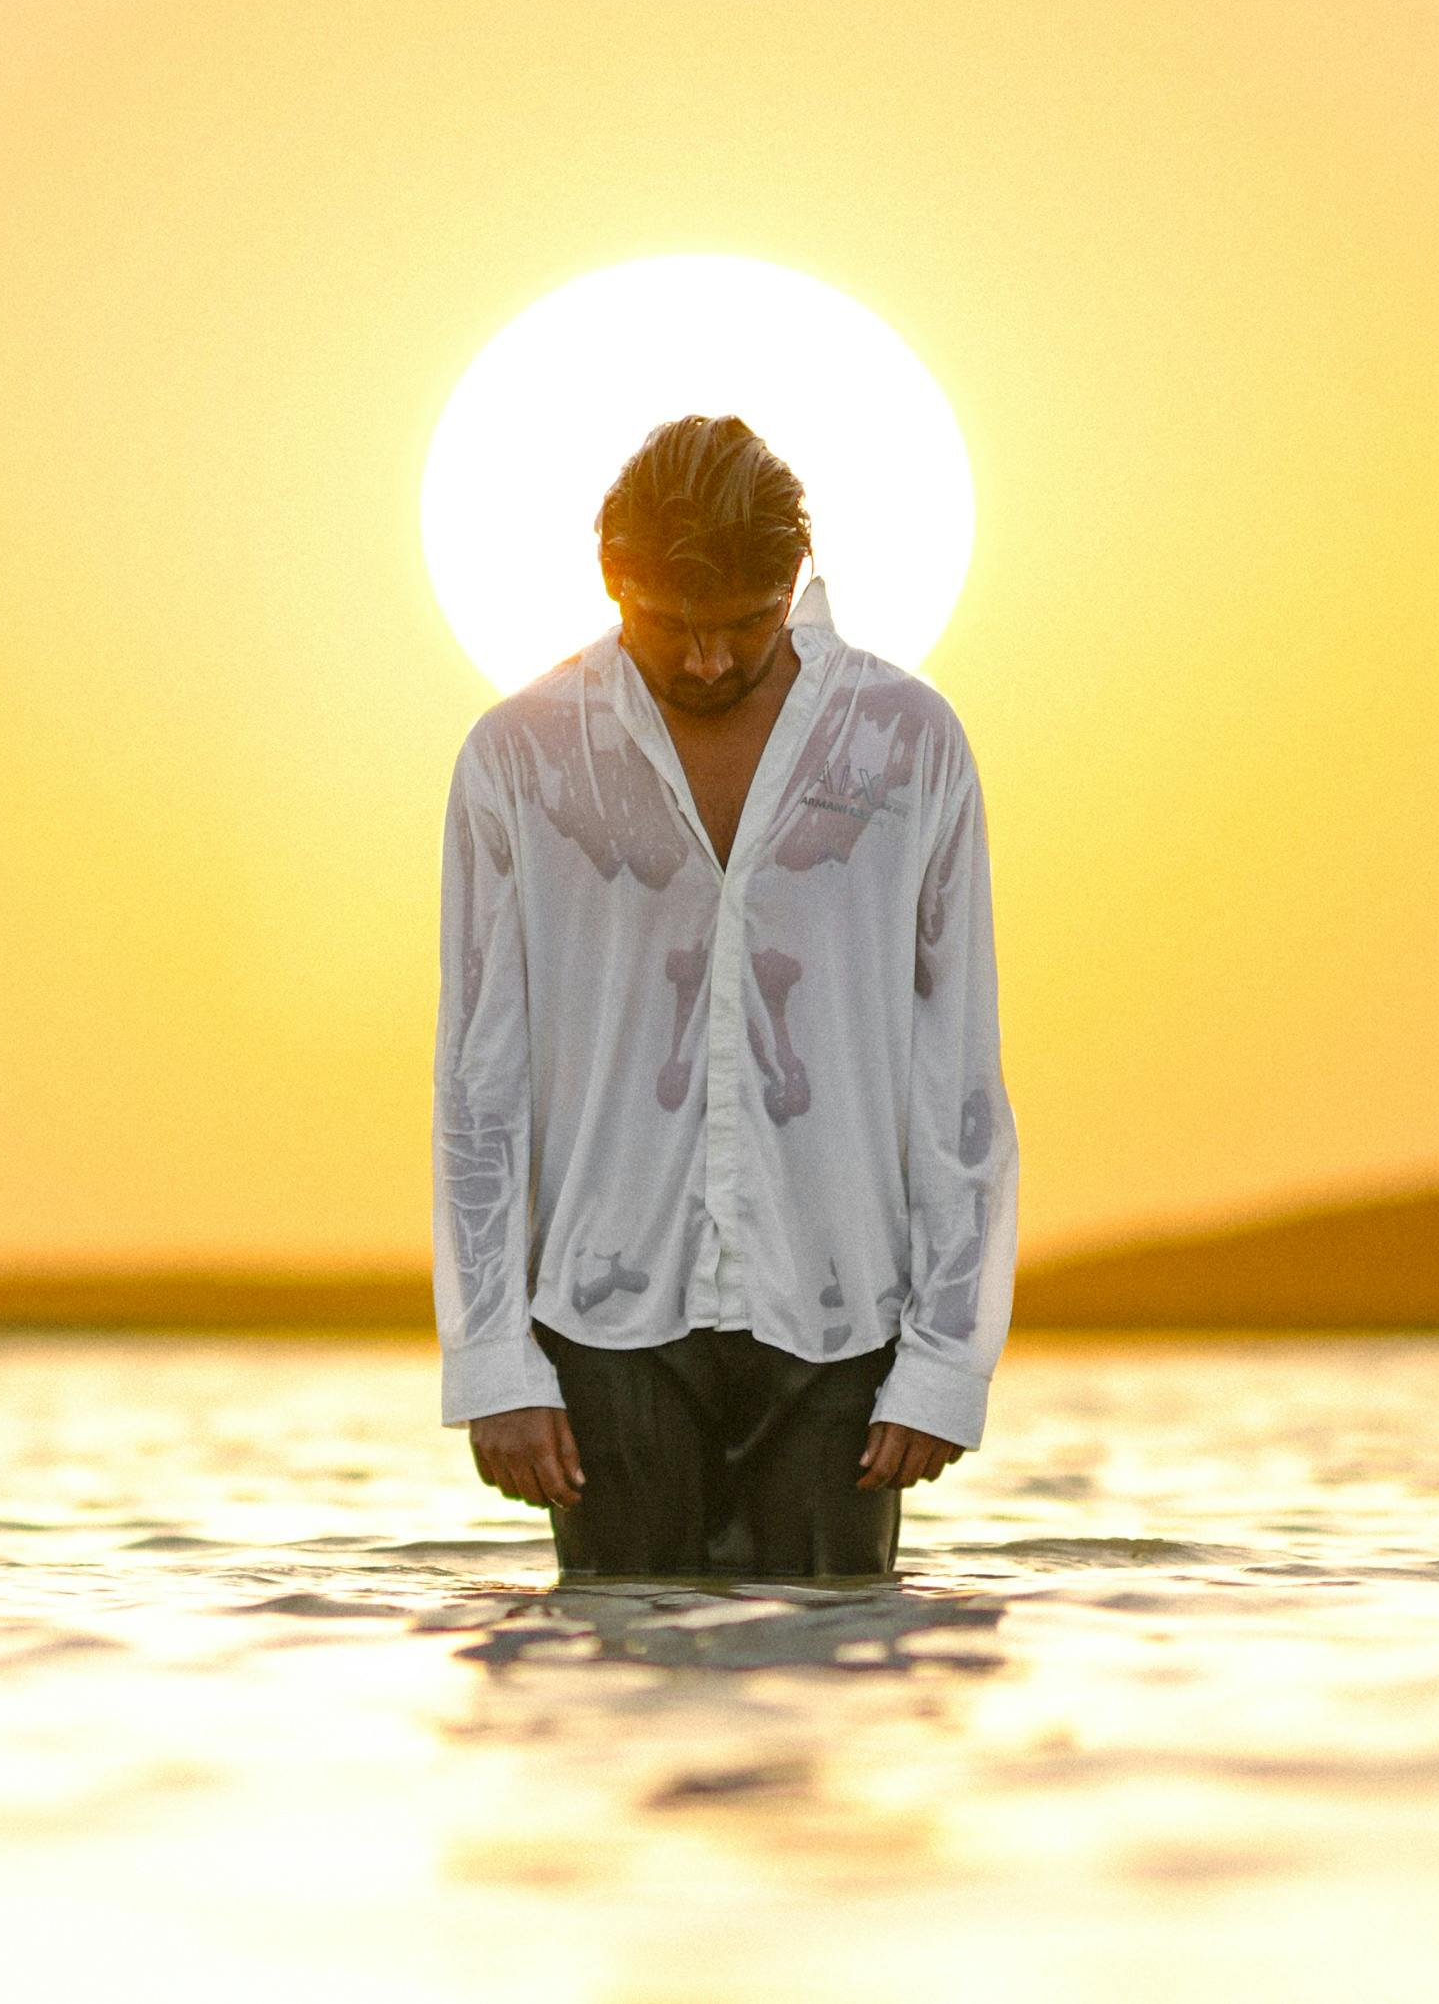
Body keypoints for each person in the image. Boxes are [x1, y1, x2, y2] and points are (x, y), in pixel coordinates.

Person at [429, 412, 1020, 1578]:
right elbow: (478, 1080)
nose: (706, 660)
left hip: (845, 1316)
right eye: (671, 627)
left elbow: (956, 1067)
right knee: (618, 1683)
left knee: (833, 1699)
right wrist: (492, 1357)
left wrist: (951, 1356)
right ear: (613, 585)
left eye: (742, 626)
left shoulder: (907, 745)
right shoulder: (519, 757)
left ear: (794, 583)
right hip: (601, 1322)